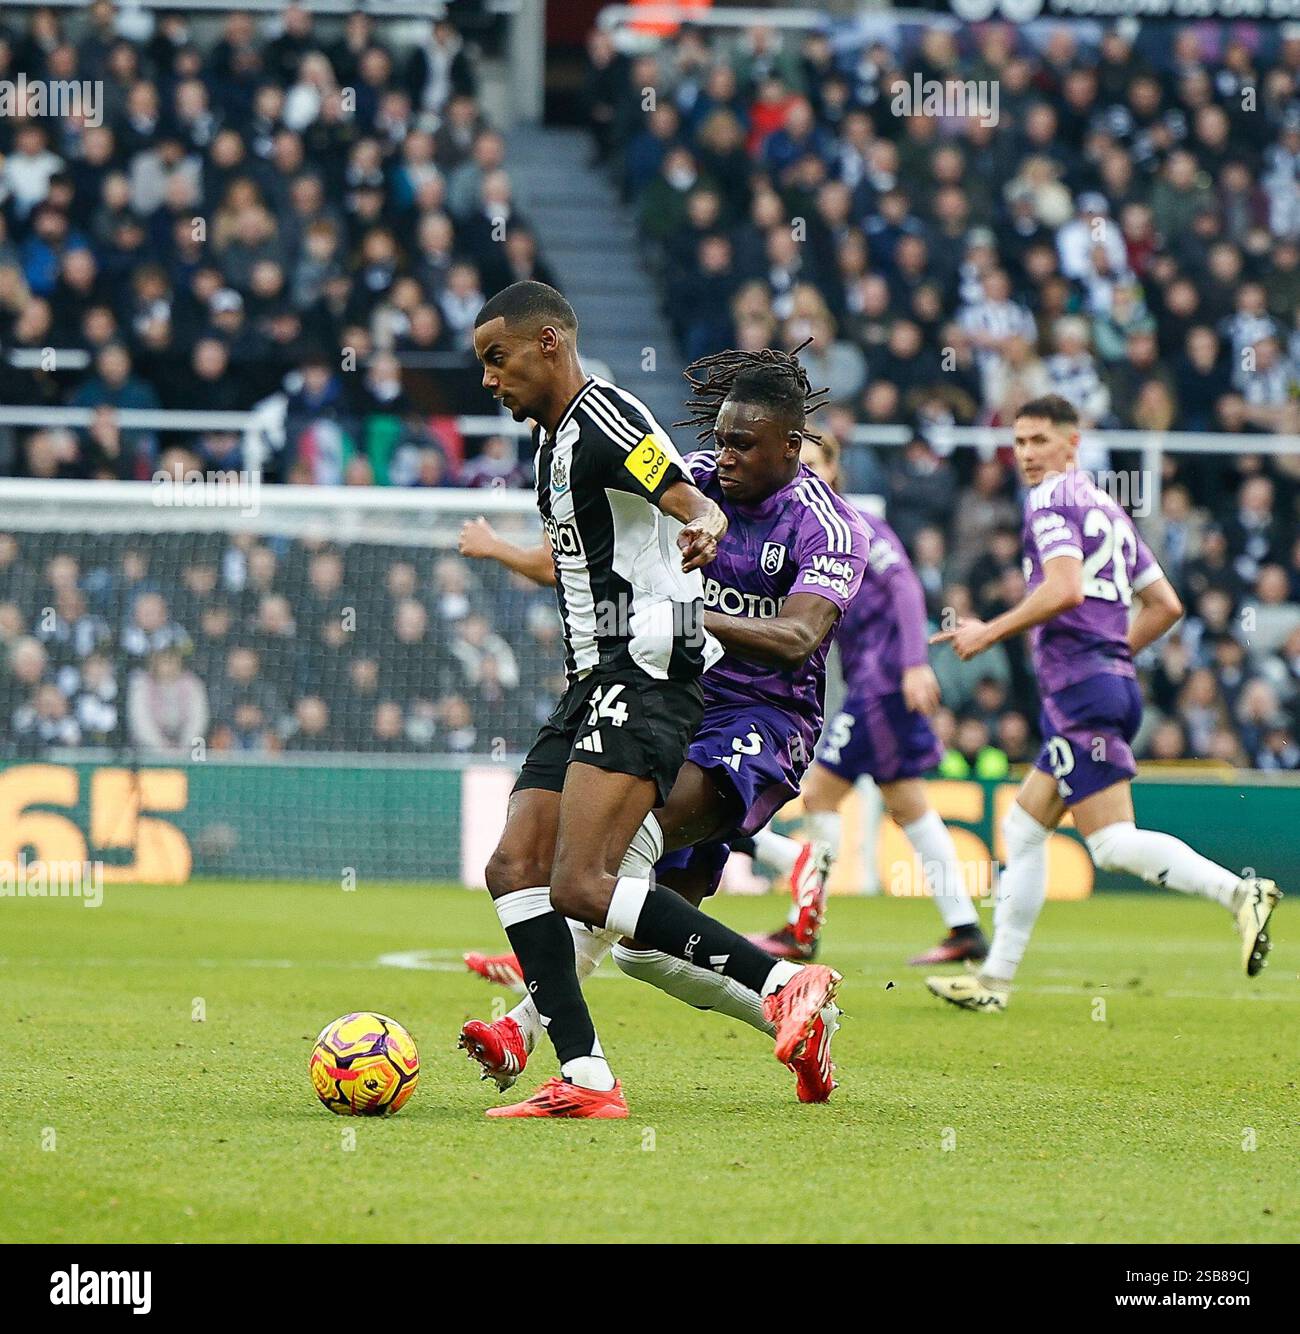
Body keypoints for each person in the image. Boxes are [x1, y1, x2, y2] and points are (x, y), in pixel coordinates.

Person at [466, 282, 843, 1117]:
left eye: (499, 358)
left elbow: (683, 493)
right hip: (615, 681)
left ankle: (778, 982)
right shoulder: (555, 443)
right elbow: (599, 547)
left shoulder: (609, 422)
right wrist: (501, 553)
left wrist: (699, 533)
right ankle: (596, 1071)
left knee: (590, 874)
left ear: (549, 346)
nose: (489, 379)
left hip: (698, 697)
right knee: (523, 873)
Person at [925, 395, 1281, 1012]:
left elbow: (1062, 589)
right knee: (1023, 825)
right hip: (1106, 683)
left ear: (1072, 442)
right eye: (1020, 442)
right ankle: (994, 982)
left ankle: (1239, 894)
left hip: (1079, 688)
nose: (1028, 454)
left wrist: (990, 631)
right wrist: (1113, 653)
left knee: (1112, 843)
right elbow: (1166, 605)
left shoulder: (1049, 500)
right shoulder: (1107, 509)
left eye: (1040, 440)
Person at [747, 431, 988, 966]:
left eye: (814, 463)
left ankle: (802, 925)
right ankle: (965, 927)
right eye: (795, 464)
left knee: (821, 796)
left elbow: (903, 586)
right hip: (872, 685)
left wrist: (913, 664)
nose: (804, 474)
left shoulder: (856, 525)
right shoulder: (799, 530)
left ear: (835, 470)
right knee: (908, 805)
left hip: (883, 685)